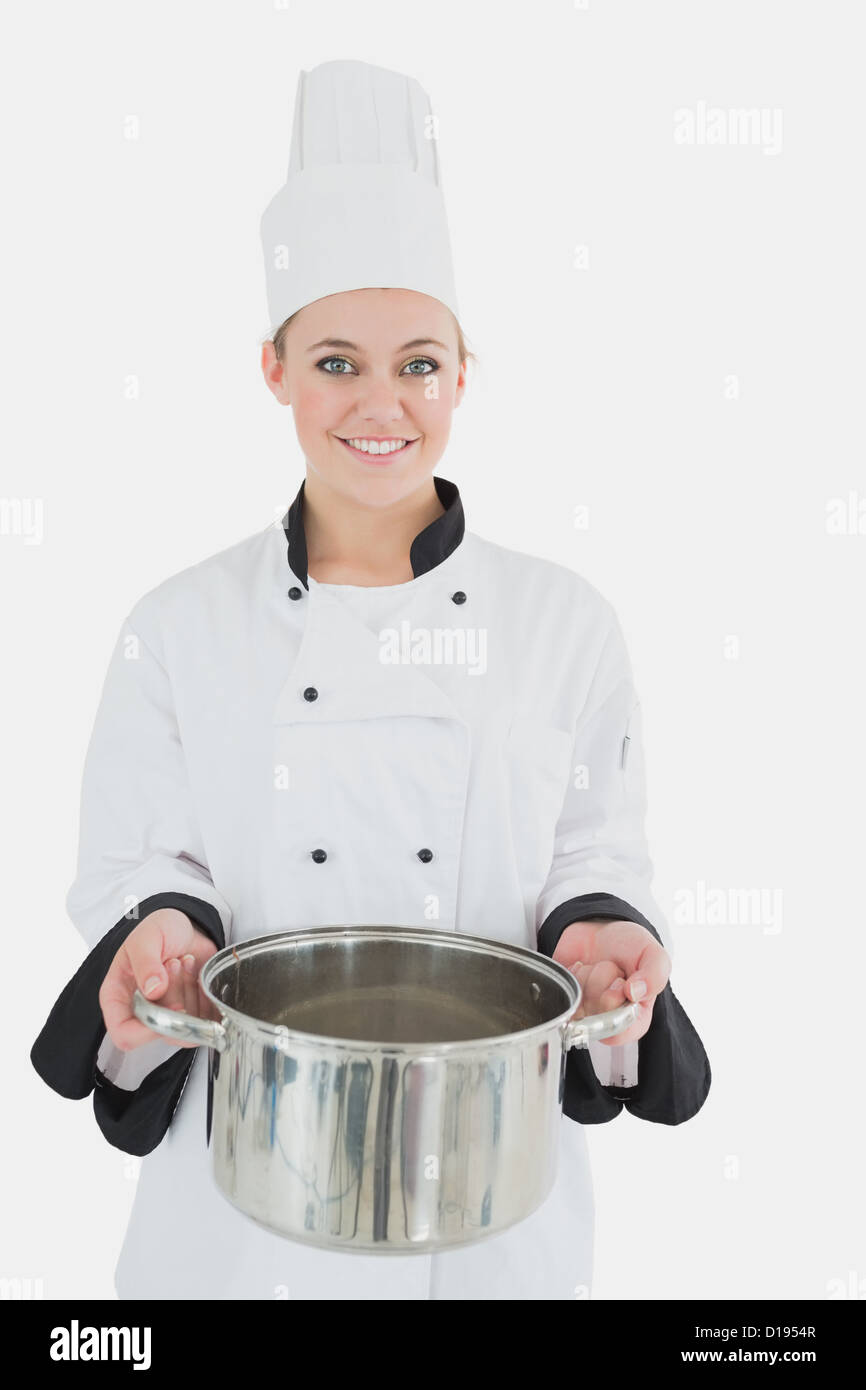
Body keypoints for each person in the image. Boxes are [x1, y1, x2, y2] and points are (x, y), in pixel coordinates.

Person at [31, 59, 710, 1301]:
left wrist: (607, 935)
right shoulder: (176, 626)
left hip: (492, 1213)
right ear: (274, 370)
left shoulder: (566, 622)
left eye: (418, 362)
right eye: (336, 361)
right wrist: (161, 937)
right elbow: (143, 868)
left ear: (463, 372)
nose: (380, 403)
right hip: (232, 1220)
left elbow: (586, 858)